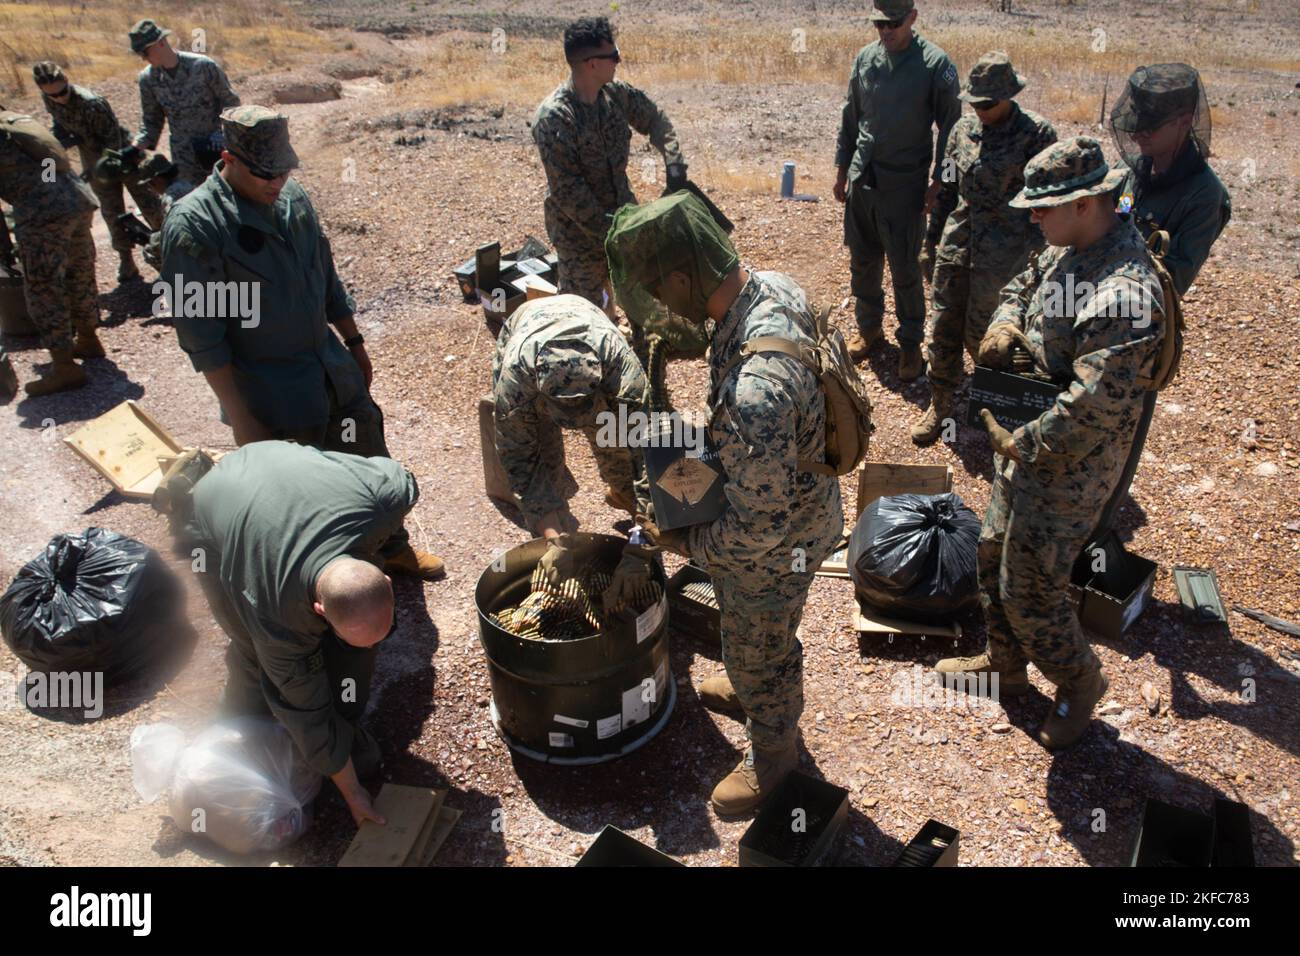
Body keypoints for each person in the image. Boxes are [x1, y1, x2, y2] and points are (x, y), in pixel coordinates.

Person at [606, 192, 845, 813]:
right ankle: (749, 684)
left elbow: (753, 533)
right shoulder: (771, 288)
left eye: (663, 288)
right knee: (762, 630)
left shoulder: (755, 391)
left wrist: (681, 542)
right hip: (806, 501)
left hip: (780, 537)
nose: (661, 303)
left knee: (760, 642)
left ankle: (775, 758)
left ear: (686, 276)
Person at [934, 138, 1166, 751]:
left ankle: (1078, 682)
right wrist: (1006, 322)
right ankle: (1005, 668)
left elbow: (1088, 414)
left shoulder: (1126, 297)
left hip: (1069, 464)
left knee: (1031, 586)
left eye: (1044, 207)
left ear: (1088, 203)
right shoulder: (1069, 250)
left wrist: (1017, 442)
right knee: (990, 550)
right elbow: (1023, 283)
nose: (1032, 217)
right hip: (1027, 436)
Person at [161, 105, 443, 580]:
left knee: (368, 454)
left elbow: (326, 275)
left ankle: (392, 546)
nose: (277, 182)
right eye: (265, 173)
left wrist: (353, 342)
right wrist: (242, 418)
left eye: (285, 170)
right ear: (228, 158)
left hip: (330, 366)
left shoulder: (294, 200)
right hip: (271, 391)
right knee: (298, 491)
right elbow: (203, 341)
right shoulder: (195, 228)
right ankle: (320, 578)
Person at [169, 441, 421, 827]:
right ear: (319, 610)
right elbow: (307, 709)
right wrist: (353, 792)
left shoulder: (383, 501)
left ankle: (343, 717)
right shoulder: (275, 616)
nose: (374, 647)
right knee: (252, 652)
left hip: (275, 459)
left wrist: (325, 464)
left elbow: (400, 474)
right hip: (211, 508)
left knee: (339, 662)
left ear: (387, 580)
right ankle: (235, 731)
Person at [1089, 63, 1231, 541]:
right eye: (1138, 120)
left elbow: (1173, 280)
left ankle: (1097, 541)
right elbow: (1115, 224)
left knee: (1117, 444)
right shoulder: (1137, 176)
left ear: (1185, 120)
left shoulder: (1204, 197)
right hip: (1095, 319)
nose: (1139, 131)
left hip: (1138, 338)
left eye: (1153, 123)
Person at [911, 52, 1057, 444]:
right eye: (975, 103)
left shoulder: (1037, 135)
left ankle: (998, 413)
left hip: (1006, 255)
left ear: (1010, 95)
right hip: (957, 245)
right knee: (943, 328)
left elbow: (1050, 201)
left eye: (988, 103)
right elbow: (946, 186)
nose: (981, 110)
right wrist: (931, 239)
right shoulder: (961, 131)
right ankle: (941, 403)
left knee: (991, 337)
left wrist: (1043, 260)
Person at [833, 0, 961, 380]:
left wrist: (941, 181)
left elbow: (952, 130)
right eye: (879, 24)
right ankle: (869, 330)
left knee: (905, 269)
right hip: (863, 181)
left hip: (905, 185)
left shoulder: (935, 65)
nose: (886, 31)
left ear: (912, 19)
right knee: (863, 261)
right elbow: (850, 118)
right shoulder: (865, 59)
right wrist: (841, 171)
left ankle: (910, 346)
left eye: (893, 23)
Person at [532, 16, 685, 318]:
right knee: (585, 320)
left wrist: (675, 163)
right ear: (591, 64)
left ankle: (641, 357)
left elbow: (655, 119)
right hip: (579, 238)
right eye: (612, 54)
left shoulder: (616, 94)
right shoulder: (555, 119)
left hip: (623, 218)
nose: (619, 59)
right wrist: (618, 235)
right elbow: (570, 194)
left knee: (646, 307)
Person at [493, 293, 647, 548]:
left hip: (587, 319)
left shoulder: (624, 374)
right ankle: (557, 525)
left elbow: (646, 454)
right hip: (525, 325)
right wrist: (553, 537)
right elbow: (521, 460)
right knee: (544, 456)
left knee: (616, 445)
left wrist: (643, 534)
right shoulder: (516, 384)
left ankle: (624, 495)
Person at [0, 105, 101, 395]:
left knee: (44, 287)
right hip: (77, 199)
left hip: (42, 213)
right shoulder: (14, 121)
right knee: (78, 271)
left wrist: (5, 247)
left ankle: (65, 367)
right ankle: (88, 339)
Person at [32, 61, 164, 283]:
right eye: (53, 95)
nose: (59, 98)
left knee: (151, 207)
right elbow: (61, 126)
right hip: (93, 159)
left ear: (67, 81)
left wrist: (93, 171)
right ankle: (126, 260)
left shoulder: (92, 103)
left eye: (62, 92)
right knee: (112, 213)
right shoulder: (50, 100)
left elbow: (112, 144)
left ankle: (169, 256)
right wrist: (58, 144)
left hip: (124, 158)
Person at [129, 18, 240, 193]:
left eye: (145, 52)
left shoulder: (203, 66)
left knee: (228, 197)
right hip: (184, 157)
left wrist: (222, 134)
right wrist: (134, 148)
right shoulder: (148, 79)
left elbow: (232, 104)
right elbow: (151, 121)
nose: (143, 58)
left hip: (216, 149)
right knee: (194, 203)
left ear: (160, 43)